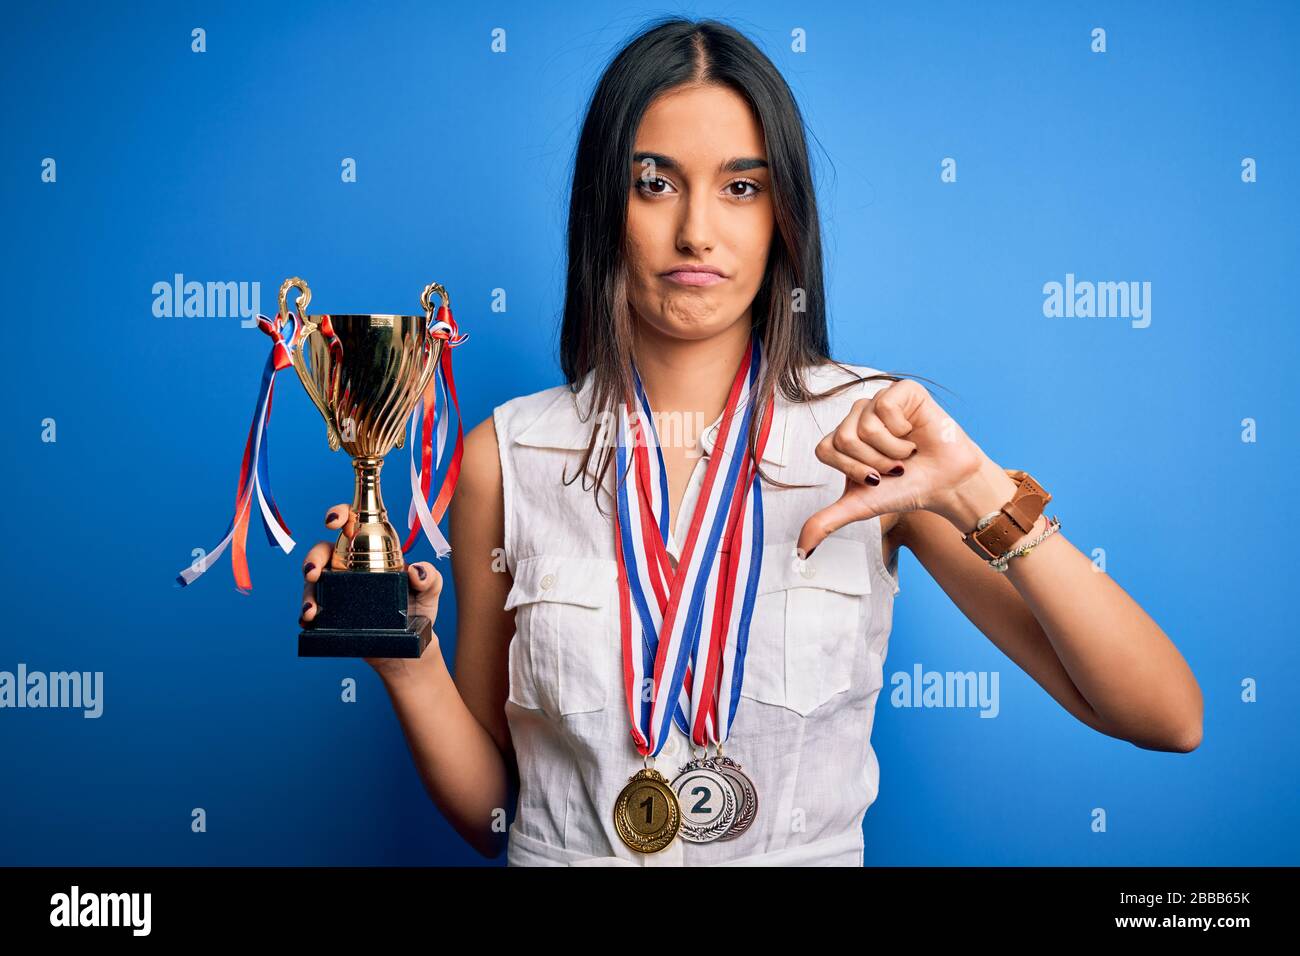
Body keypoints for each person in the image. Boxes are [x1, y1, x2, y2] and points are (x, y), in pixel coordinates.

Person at [296, 17, 1202, 866]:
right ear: (602, 206)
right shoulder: (505, 455)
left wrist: (970, 490)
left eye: (741, 186)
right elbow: (499, 813)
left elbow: (1165, 716)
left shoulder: (879, 437)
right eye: (654, 183)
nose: (697, 229)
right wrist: (404, 662)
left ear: (783, 217)